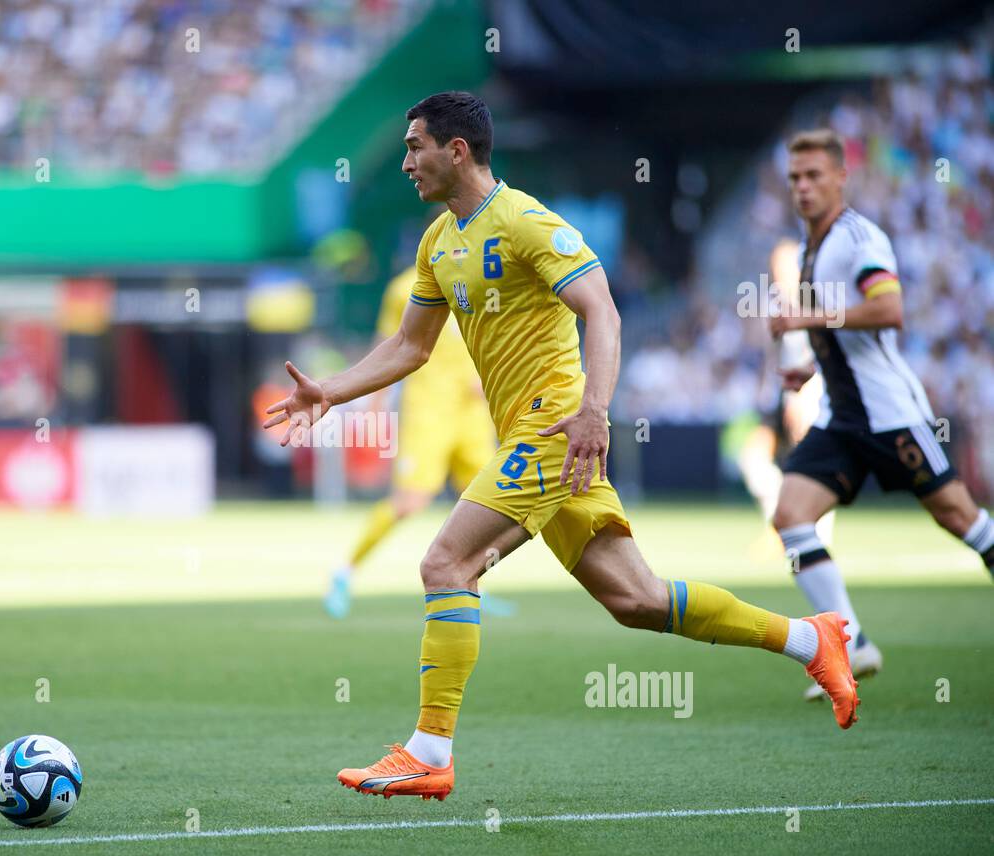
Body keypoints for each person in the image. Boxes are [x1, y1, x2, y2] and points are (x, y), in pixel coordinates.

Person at [264, 92, 858, 801]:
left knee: (445, 562)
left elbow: (599, 307)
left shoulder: (524, 220)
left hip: (555, 430)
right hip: (536, 440)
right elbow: (409, 347)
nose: (405, 161)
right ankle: (810, 638)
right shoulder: (437, 242)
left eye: (415, 145)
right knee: (636, 600)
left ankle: (429, 750)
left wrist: (594, 411)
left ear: (457, 151)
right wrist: (331, 390)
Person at [768, 130, 992, 703]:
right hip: (841, 417)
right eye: (795, 177)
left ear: (842, 177)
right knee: (790, 515)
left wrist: (805, 318)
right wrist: (808, 371)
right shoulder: (812, 244)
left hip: (890, 415)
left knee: (960, 517)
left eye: (814, 175)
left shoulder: (859, 237)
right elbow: (843, 339)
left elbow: (889, 308)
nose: (803, 187)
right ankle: (850, 642)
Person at [324, 262, 502, 619]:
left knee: (489, 507)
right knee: (409, 502)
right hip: (429, 412)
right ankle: (345, 571)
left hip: (472, 412)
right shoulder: (405, 288)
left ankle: (473, 585)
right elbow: (389, 346)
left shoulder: (478, 279)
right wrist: (374, 406)